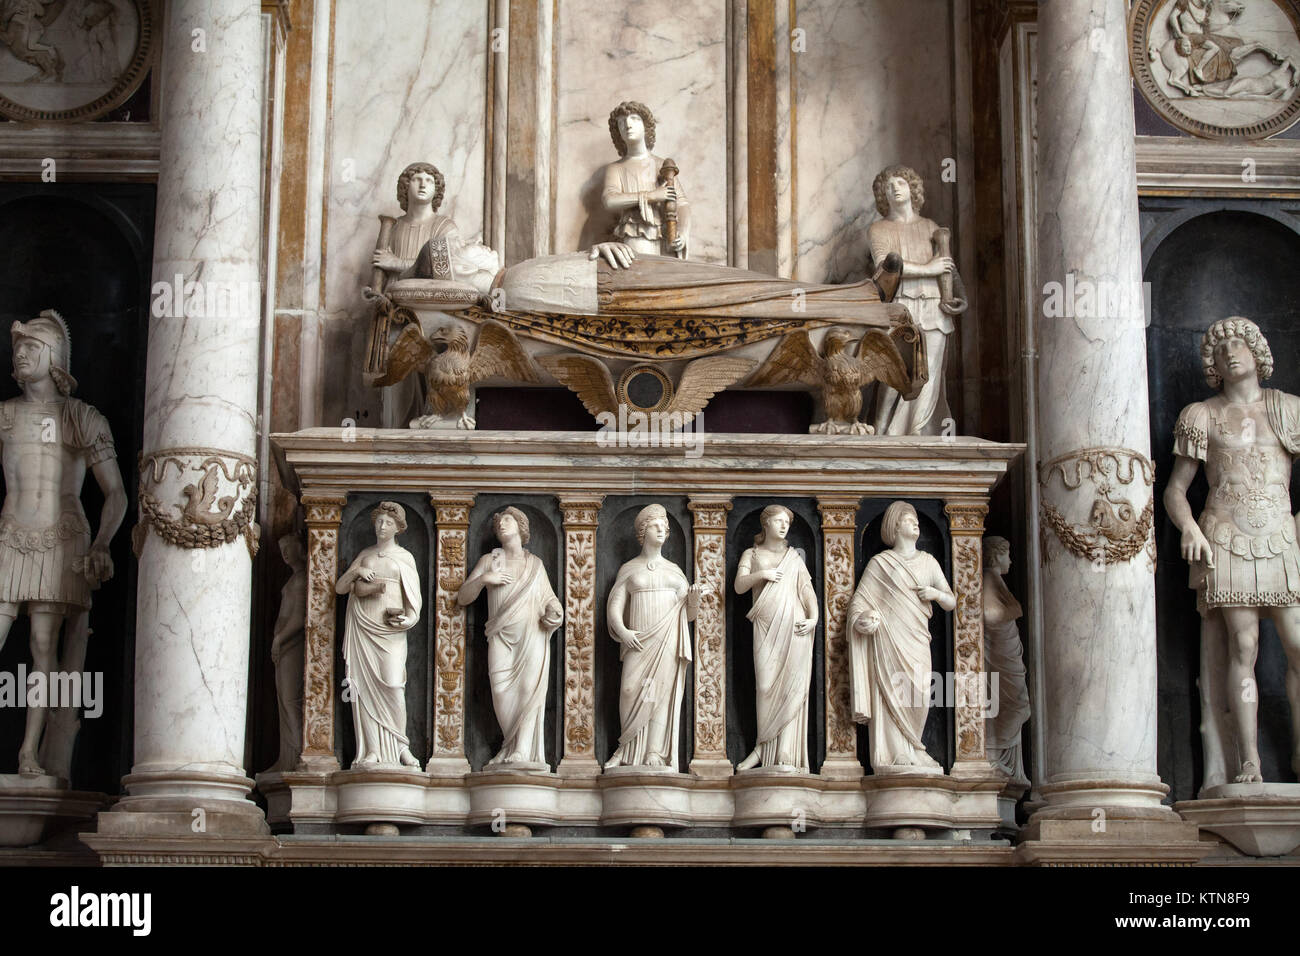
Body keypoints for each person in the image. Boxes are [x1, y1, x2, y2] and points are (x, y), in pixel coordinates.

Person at [1164, 317, 1300, 784]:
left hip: (1282, 539)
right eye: (1221, 353)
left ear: (1258, 351)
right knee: (1243, 645)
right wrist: (1189, 529)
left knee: (1298, 644)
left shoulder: (1289, 410)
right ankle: (1249, 761)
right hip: (1226, 538)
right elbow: (1175, 490)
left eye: (1239, 346)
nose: (1231, 355)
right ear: (1213, 366)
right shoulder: (1202, 415)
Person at [0, 310, 126, 776]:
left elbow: (115, 492)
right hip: (10, 534)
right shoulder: (6, 416)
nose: (20, 355)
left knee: (42, 643)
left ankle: (29, 753)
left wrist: (103, 544)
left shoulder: (81, 417)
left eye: (30, 348)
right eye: (17, 348)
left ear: (52, 357)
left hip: (63, 537)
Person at [846, 501, 955, 773]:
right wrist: (863, 619)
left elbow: (951, 601)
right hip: (888, 637)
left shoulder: (928, 561)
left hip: (917, 637)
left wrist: (935, 594)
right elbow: (859, 602)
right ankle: (897, 753)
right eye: (908, 520)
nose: (915, 523)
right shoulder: (880, 563)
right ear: (894, 527)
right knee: (892, 691)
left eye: (917, 519)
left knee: (918, 690)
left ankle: (915, 744)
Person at [458, 506, 563, 767]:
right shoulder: (489, 560)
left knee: (529, 690)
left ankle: (522, 751)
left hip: (532, 634)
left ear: (520, 527)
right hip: (500, 636)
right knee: (501, 691)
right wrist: (484, 579)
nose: (502, 525)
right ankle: (510, 743)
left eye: (508, 520)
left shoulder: (535, 564)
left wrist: (555, 612)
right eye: (499, 522)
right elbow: (462, 597)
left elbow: (550, 599)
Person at [604, 503, 705, 769]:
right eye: (655, 525)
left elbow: (690, 614)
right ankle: (626, 749)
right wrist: (623, 632)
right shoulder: (629, 568)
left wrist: (693, 600)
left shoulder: (674, 571)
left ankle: (654, 753)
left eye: (665, 526)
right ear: (642, 531)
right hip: (638, 639)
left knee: (660, 695)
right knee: (629, 690)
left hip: (667, 639)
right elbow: (614, 606)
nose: (662, 530)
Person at [868, 164, 964, 436]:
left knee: (929, 370)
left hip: (933, 304)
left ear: (912, 189)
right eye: (889, 186)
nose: (895, 189)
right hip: (899, 304)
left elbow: (948, 266)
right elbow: (884, 267)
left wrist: (958, 296)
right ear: (882, 196)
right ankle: (882, 430)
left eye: (900, 183)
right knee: (894, 368)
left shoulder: (931, 227)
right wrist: (928, 269)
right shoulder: (879, 229)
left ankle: (917, 430)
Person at [336, 501, 423, 768]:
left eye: (388, 522)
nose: (381, 526)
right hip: (363, 626)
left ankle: (401, 746)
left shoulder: (404, 557)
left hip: (390, 628)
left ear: (398, 528)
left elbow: (414, 599)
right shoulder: (365, 554)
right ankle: (372, 749)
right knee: (361, 688)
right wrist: (356, 571)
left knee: (394, 683)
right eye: (379, 521)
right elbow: (340, 589)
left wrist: (409, 617)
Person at [734, 504, 818, 771]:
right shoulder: (752, 553)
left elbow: (807, 591)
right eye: (779, 521)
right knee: (766, 686)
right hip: (766, 626)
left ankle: (784, 752)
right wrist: (762, 575)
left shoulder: (794, 557)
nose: (784, 526)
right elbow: (739, 586)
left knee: (792, 688)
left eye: (787, 523)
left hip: (794, 627)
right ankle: (762, 747)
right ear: (765, 524)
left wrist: (814, 617)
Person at [370, 161, 499, 297]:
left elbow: (445, 269)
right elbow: (381, 271)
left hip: (429, 297)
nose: (423, 185)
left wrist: (397, 263)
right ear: (405, 186)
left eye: (429, 181)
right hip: (393, 296)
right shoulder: (393, 227)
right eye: (416, 179)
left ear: (436, 189)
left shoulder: (444, 226)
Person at [601, 101, 689, 259]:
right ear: (617, 132)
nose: (628, 125)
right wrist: (651, 196)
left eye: (634, 119)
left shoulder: (662, 165)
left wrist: (682, 232)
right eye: (621, 122)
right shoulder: (616, 168)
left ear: (646, 126)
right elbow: (609, 200)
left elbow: (682, 204)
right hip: (636, 233)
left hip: (666, 237)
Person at [981, 536, 1030, 783]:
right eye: (1006, 555)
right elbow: (990, 615)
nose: (1009, 560)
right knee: (1018, 704)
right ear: (995, 556)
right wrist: (1016, 609)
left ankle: (996, 753)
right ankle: (993, 752)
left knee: (1015, 704)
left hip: (1006, 652)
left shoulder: (997, 580)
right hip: (1000, 654)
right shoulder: (990, 578)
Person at [269, 532, 307, 773]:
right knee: (284, 699)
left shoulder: (302, 579)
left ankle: (297, 756)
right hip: (283, 647)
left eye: (289, 547)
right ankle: (287, 756)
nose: (284, 553)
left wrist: (280, 639)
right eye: (281, 548)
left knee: (290, 699)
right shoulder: (293, 579)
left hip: (291, 644)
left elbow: (299, 618)